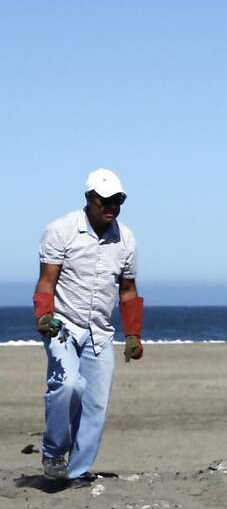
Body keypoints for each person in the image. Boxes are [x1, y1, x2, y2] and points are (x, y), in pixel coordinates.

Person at [34, 170, 144, 485]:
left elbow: (127, 291)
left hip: (100, 332)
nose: (111, 206)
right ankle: (54, 452)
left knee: (95, 405)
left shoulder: (126, 239)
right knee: (68, 386)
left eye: (118, 201)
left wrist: (133, 335)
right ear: (89, 199)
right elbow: (46, 281)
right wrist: (44, 316)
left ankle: (76, 471)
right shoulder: (60, 230)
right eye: (105, 200)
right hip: (63, 326)